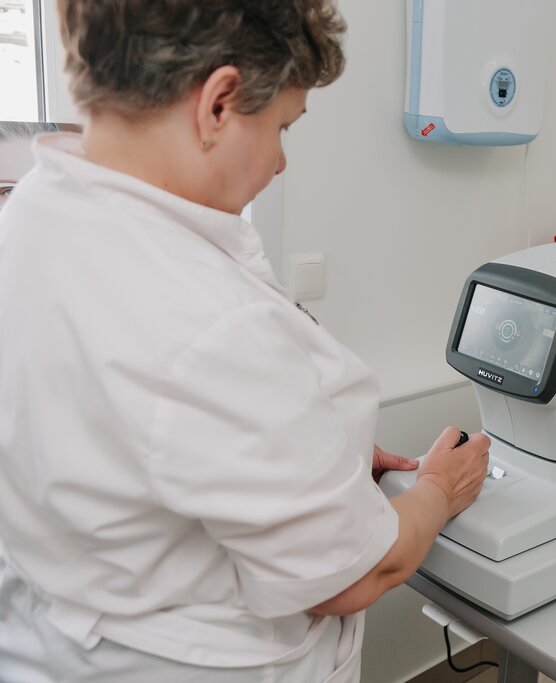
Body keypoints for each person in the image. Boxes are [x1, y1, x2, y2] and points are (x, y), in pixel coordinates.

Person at [0, 2, 489, 682]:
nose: (282, 161)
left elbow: (132, 430)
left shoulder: (31, 213)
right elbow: (357, 574)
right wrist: (438, 488)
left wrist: (314, 456)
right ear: (219, 104)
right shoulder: (208, 321)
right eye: (283, 126)